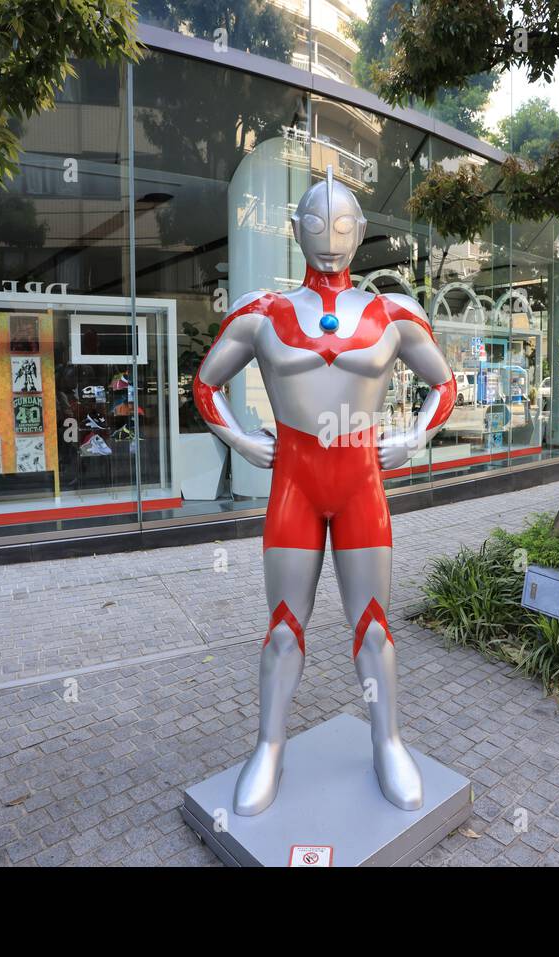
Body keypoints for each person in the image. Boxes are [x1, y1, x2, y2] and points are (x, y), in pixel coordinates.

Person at [193, 167, 457, 815]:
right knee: (284, 628)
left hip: (361, 480)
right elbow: (204, 385)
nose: (330, 237)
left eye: (343, 225)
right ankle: (269, 746)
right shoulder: (263, 313)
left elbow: (443, 385)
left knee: (372, 626)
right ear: (295, 230)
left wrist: (417, 434)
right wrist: (241, 440)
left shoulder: (394, 313)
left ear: (361, 232)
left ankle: (387, 740)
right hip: (296, 484)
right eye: (315, 224)